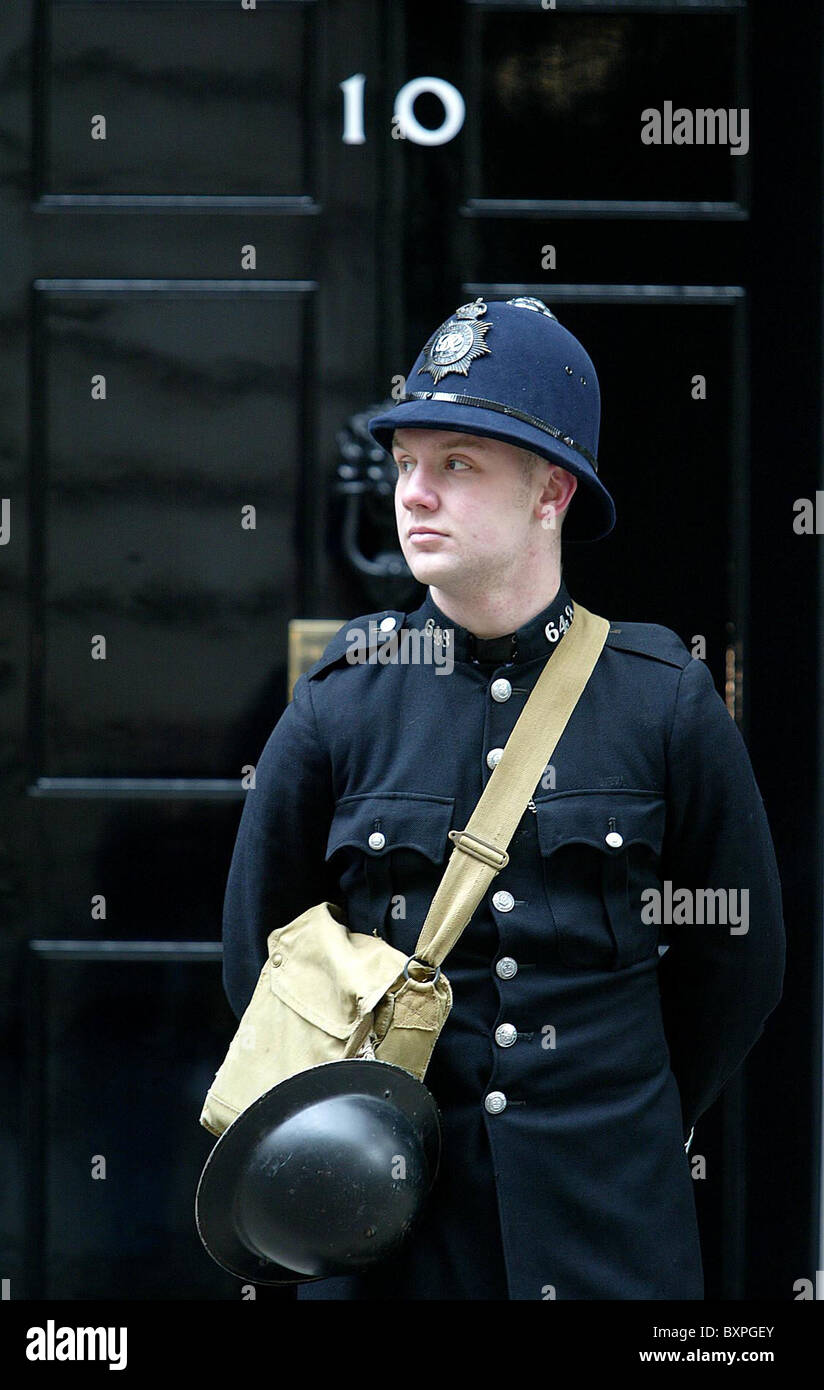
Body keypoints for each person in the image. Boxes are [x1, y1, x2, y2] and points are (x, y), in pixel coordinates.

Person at [221, 296, 785, 1299]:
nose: (415, 494)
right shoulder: (340, 702)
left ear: (549, 493)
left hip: (605, 1223)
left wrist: (629, 1114)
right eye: (405, 465)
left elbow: (738, 959)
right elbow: (257, 956)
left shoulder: (661, 702)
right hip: (387, 1235)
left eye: (457, 465)